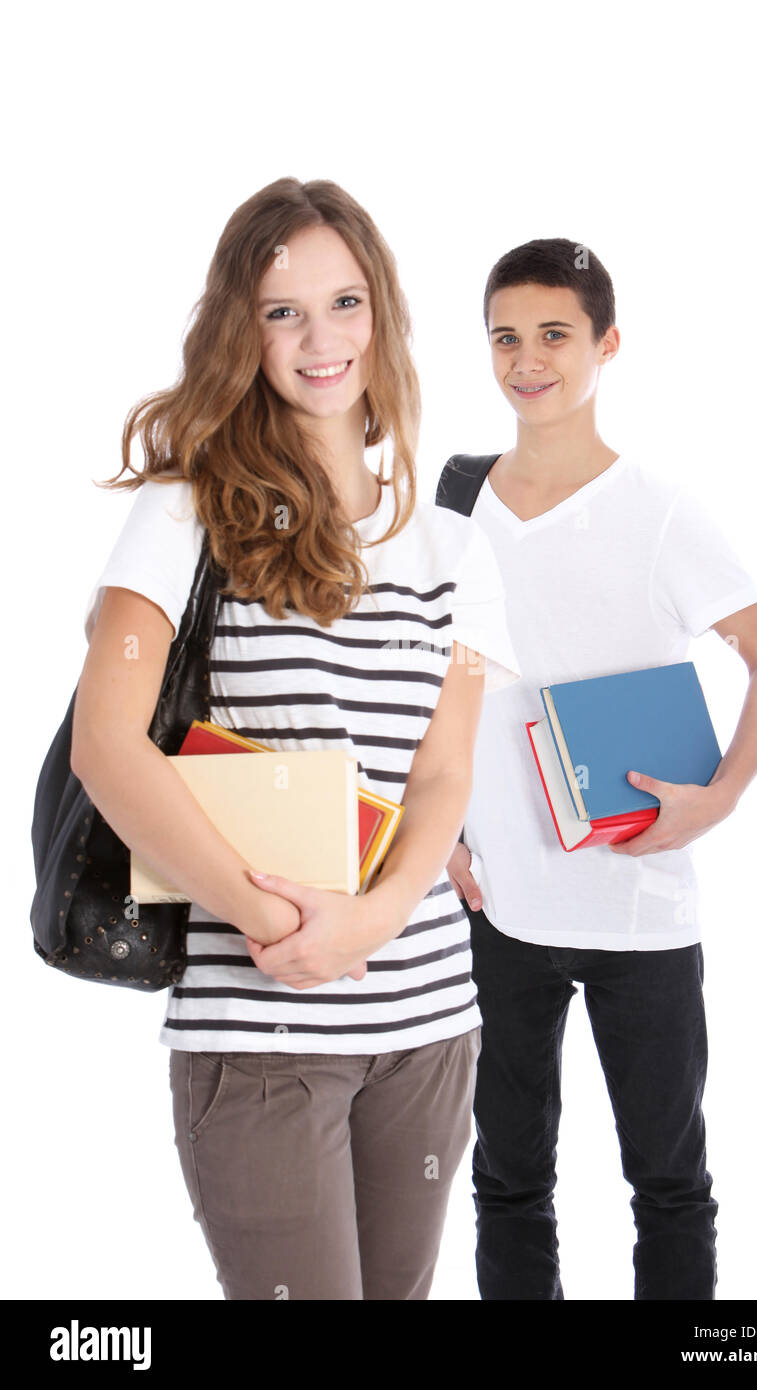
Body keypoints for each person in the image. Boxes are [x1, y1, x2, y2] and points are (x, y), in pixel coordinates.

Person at [71, 177, 520, 1301]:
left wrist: (366, 921)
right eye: (281, 311)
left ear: (383, 316)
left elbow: (446, 770)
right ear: (243, 330)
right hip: (258, 1021)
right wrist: (277, 921)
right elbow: (107, 744)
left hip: (425, 1021)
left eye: (345, 302)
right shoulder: (186, 511)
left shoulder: (458, 548)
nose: (321, 339)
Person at [438, 238, 757, 1301]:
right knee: (506, 1180)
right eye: (504, 336)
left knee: (668, 1184)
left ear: (606, 344)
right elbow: (446, 684)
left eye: (552, 334)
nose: (525, 359)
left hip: (640, 908)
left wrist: (721, 795)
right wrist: (450, 837)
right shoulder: (455, 504)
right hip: (502, 907)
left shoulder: (658, 508)